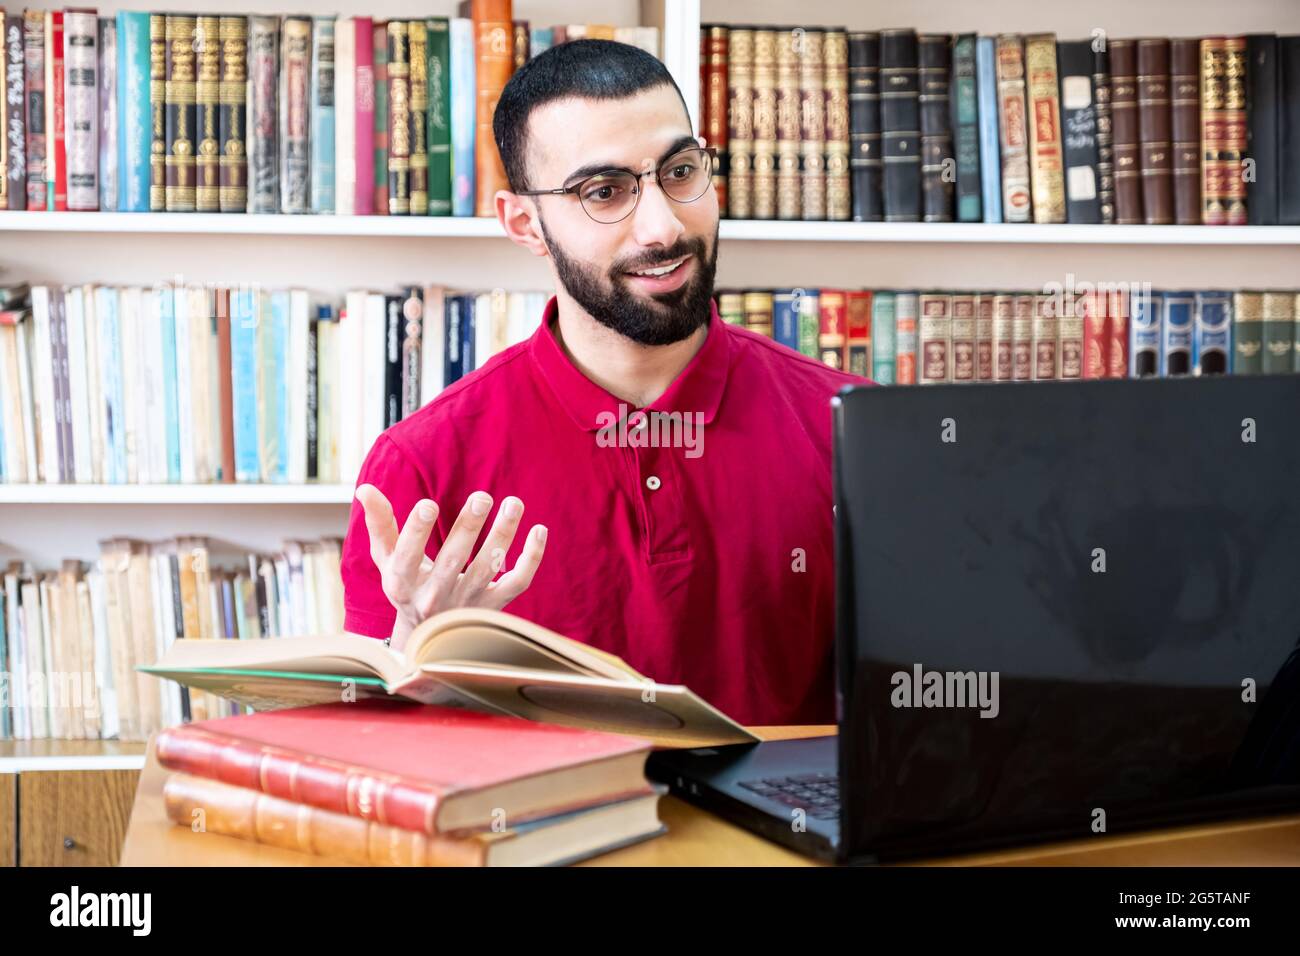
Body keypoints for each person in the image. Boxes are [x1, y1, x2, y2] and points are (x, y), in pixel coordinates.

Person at [341, 39, 868, 725]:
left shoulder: (857, 430)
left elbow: (920, 731)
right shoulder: (418, 470)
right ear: (525, 224)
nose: (663, 226)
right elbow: (374, 759)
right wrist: (412, 656)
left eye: (680, 171)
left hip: (788, 834)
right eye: (604, 192)